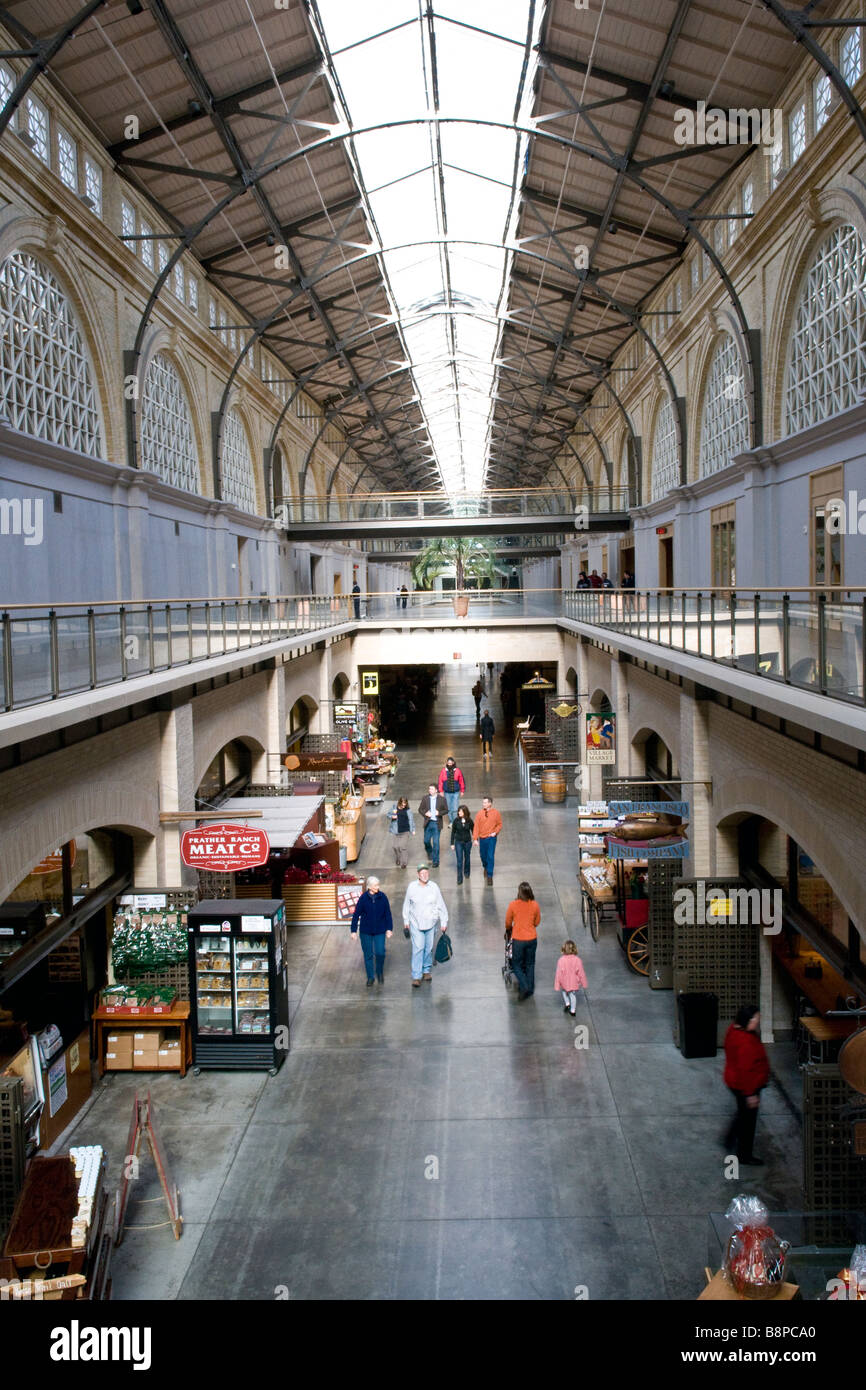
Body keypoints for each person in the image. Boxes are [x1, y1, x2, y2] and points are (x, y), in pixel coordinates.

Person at [723, 1004, 771, 1165]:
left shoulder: (734, 1030)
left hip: (734, 1080)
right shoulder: (745, 1042)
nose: (758, 1021)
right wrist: (750, 1094)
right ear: (747, 1020)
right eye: (755, 1018)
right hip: (746, 1085)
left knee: (742, 1113)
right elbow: (746, 1070)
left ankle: (729, 1138)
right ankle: (744, 1154)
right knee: (748, 1122)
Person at [402, 864, 449, 988]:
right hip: (416, 923)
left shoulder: (434, 887)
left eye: (426, 873)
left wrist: (444, 922)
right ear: (418, 875)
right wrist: (406, 921)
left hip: (431, 923)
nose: (424, 875)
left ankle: (426, 970)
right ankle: (416, 976)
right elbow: (406, 905)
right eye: (422, 873)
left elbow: (441, 905)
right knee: (418, 948)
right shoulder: (412, 887)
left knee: (428, 948)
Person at [350, 877, 393, 987]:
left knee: (380, 953)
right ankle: (370, 977)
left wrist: (389, 929)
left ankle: (379, 972)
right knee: (368, 954)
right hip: (366, 931)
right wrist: (353, 930)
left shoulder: (383, 897)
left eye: (378, 885)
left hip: (380, 930)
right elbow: (356, 915)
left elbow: (388, 914)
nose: (377, 887)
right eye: (375, 886)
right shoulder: (363, 898)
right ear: (369, 887)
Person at [505, 882, 540, 1001]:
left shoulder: (513, 905)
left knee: (516, 964)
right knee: (530, 964)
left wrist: (509, 929)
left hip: (518, 939)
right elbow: (537, 922)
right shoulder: (535, 905)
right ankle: (530, 988)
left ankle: (524, 986)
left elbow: (508, 922)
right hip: (532, 939)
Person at [472, 794, 502, 885]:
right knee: (483, 856)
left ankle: (490, 875)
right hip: (482, 838)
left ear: (490, 803)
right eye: (483, 802)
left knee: (490, 856)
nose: (483, 804)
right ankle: (485, 866)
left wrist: (495, 832)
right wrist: (475, 839)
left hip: (491, 838)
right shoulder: (479, 813)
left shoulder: (496, 813)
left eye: (485, 802)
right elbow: (476, 826)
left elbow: (499, 824)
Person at [417, 783, 448, 867]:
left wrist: (439, 813)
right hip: (428, 823)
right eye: (429, 789)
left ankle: (436, 861)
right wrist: (425, 813)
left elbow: (446, 810)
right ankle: (429, 852)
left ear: (436, 790)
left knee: (436, 843)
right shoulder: (425, 798)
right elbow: (420, 809)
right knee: (426, 841)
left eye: (431, 789)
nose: (429, 790)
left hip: (437, 824)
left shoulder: (442, 799)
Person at [554, 940, 588, 1016]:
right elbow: (581, 973)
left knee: (563, 992)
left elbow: (558, 973)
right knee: (572, 996)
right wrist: (584, 983)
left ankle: (567, 1003)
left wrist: (557, 985)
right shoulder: (577, 960)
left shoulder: (561, 960)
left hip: (564, 982)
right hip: (573, 982)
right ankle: (573, 1010)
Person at [388, 795, 415, 868]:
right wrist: (392, 816)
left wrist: (413, 829)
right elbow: (388, 814)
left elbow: (411, 820)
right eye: (402, 804)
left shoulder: (408, 810)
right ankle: (398, 858)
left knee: (403, 847)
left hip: (405, 831)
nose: (404, 806)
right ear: (399, 803)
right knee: (395, 847)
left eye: (405, 804)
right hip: (396, 831)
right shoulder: (394, 808)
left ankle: (404, 863)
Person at [450, 804, 474, 884]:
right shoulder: (456, 821)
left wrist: (475, 839)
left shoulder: (469, 820)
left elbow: (473, 830)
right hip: (458, 842)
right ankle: (459, 878)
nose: (459, 812)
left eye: (461, 811)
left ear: (465, 812)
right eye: (458, 811)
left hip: (467, 842)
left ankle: (467, 873)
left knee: (467, 858)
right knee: (459, 860)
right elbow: (453, 832)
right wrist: (452, 843)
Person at [438, 756, 466, 823]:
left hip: (455, 792)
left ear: (453, 763)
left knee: (455, 808)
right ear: (447, 763)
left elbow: (461, 781)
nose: (449, 764)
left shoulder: (458, 771)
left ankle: (456, 820)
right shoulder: (443, 771)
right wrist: (441, 791)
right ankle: (451, 821)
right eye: (448, 763)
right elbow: (440, 781)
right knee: (449, 808)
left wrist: (462, 790)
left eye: (451, 763)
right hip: (447, 793)